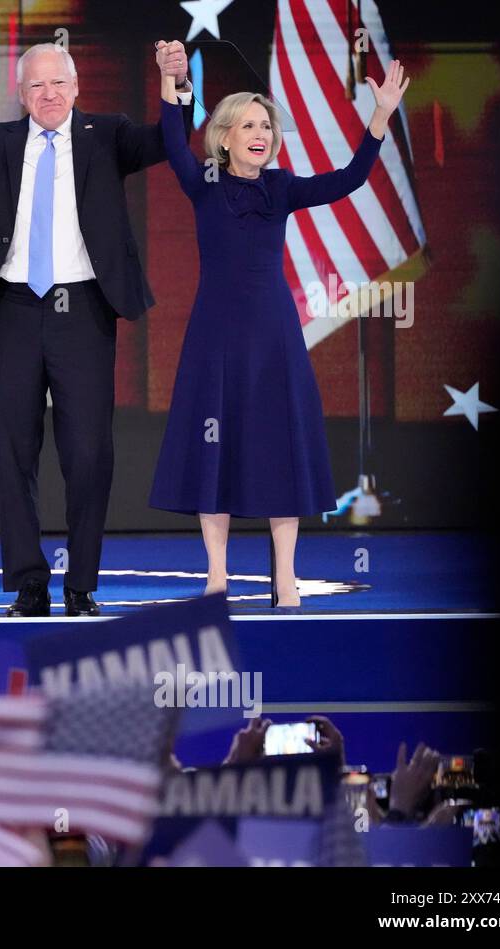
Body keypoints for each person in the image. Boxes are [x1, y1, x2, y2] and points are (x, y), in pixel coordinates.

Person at [0, 41, 193, 617]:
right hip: (12, 309)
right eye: (36, 86)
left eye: (58, 82)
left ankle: (81, 584)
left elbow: (170, 141)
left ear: (77, 85)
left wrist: (174, 83)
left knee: (87, 452)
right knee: (14, 450)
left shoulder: (108, 134)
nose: (49, 94)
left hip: (82, 309)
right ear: (22, 94)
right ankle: (29, 583)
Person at [149, 56, 409, 606]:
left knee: (277, 446)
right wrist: (170, 81)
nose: (260, 133)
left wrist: (380, 117)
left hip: (273, 335)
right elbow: (173, 137)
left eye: (266, 125)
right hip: (215, 336)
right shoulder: (204, 185)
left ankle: (285, 578)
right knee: (213, 450)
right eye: (248, 124)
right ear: (224, 138)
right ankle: (216, 576)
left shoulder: (283, 187)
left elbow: (349, 180)